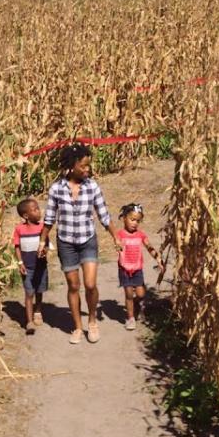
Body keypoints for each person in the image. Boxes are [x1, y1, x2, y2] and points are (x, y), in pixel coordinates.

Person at [39, 143, 121, 344]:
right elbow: (49, 218)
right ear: (72, 166)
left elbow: (103, 214)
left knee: (90, 284)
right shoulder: (57, 189)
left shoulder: (92, 186)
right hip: (66, 242)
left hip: (87, 240)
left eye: (88, 165)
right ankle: (77, 327)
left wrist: (115, 236)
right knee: (73, 286)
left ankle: (92, 321)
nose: (87, 169)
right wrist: (42, 240)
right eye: (83, 166)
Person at [115, 203, 163, 330]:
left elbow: (149, 246)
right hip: (124, 269)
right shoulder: (120, 234)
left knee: (141, 294)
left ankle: (136, 304)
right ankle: (131, 318)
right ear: (124, 218)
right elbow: (117, 245)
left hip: (137, 269)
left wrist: (157, 257)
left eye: (137, 221)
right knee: (129, 294)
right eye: (132, 219)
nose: (135, 223)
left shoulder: (140, 235)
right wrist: (118, 246)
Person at [12, 197, 48, 335]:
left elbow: (45, 243)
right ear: (26, 216)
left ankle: (37, 311)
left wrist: (44, 251)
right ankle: (29, 322)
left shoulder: (42, 227)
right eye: (35, 209)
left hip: (41, 266)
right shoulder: (19, 229)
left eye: (38, 208)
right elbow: (17, 247)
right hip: (27, 267)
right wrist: (20, 263)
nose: (39, 211)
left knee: (39, 290)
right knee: (29, 293)